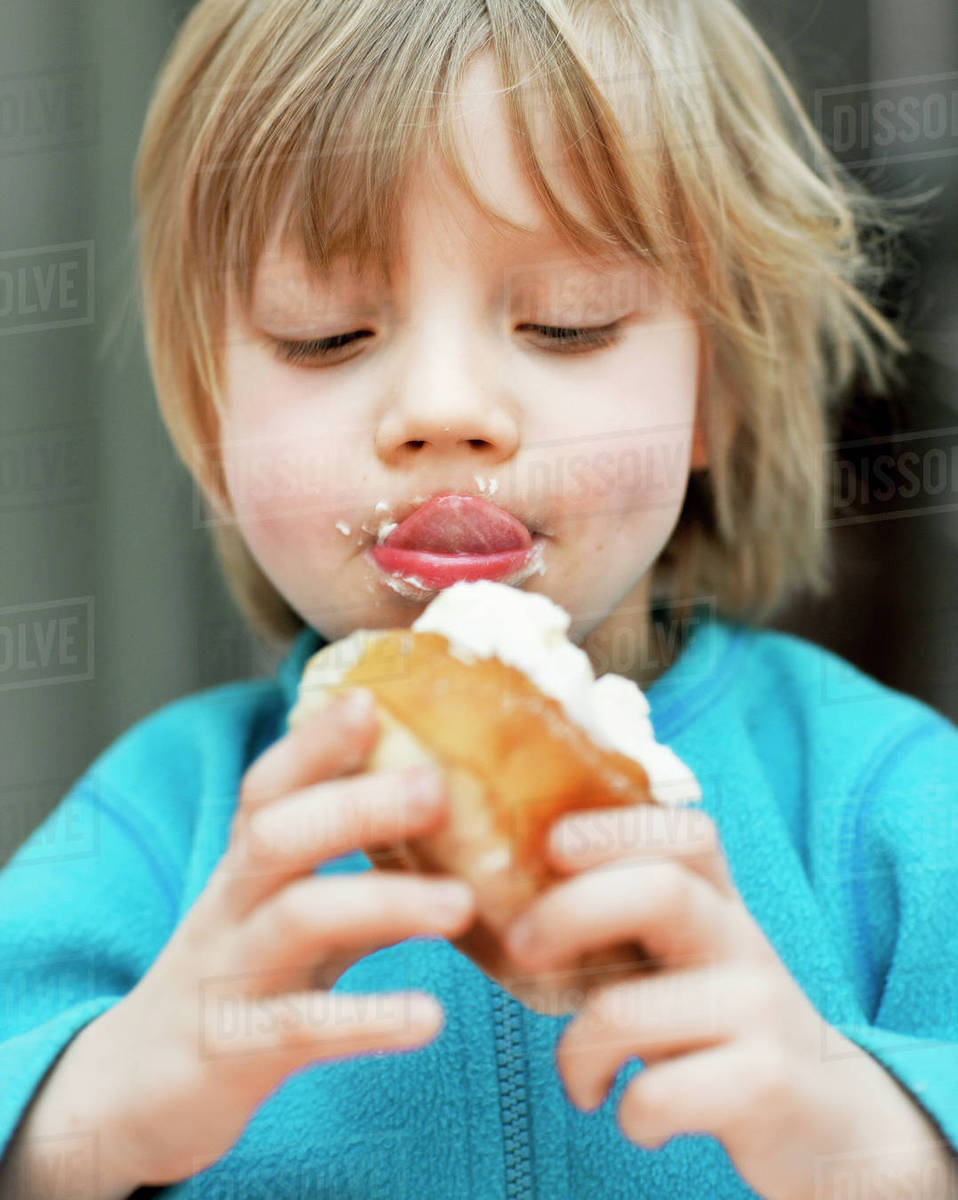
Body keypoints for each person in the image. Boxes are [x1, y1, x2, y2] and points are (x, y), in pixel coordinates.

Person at [1, 1, 956, 1196]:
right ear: (208, 426)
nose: (444, 408)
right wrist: (94, 1103)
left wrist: (869, 1135)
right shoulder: (151, 832)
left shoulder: (898, 810)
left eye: (569, 323)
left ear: (715, 388)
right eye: (325, 333)